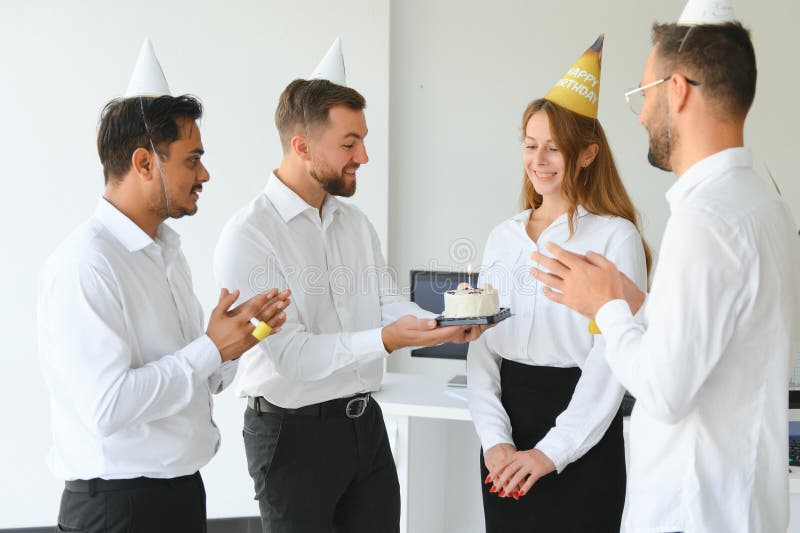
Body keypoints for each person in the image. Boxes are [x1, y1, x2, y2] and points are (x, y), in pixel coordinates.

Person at [530, 2, 800, 531]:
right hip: (740, 504)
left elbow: (665, 391)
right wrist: (637, 302)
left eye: (643, 94)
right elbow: (716, 342)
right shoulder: (765, 207)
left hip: (691, 509)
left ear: (676, 90)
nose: (639, 114)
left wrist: (605, 308)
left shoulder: (704, 219)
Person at [213, 39, 486, 533]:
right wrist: (388, 340)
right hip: (290, 435)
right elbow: (293, 357)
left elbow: (383, 301)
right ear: (302, 146)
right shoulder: (249, 236)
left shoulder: (354, 223)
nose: (364, 155)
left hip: (364, 425)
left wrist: (437, 327)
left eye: (362, 139)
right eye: (349, 143)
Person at [38, 38, 289, 533]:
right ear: (145, 163)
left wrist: (241, 338)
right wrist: (210, 349)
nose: (205, 174)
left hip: (178, 497)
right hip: (119, 511)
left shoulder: (167, 254)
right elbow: (108, 407)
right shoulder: (86, 265)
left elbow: (203, 379)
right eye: (192, 159)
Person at [468, 35, 651, 533]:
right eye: (531, 145)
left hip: (582, 434)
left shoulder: (615, 237)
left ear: (587, 154)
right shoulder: (502, 238)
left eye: (555, 148)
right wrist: (493, 441)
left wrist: (552, 452)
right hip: (505, 428)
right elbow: (482, 347)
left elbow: (610, 363)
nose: (540, 159)